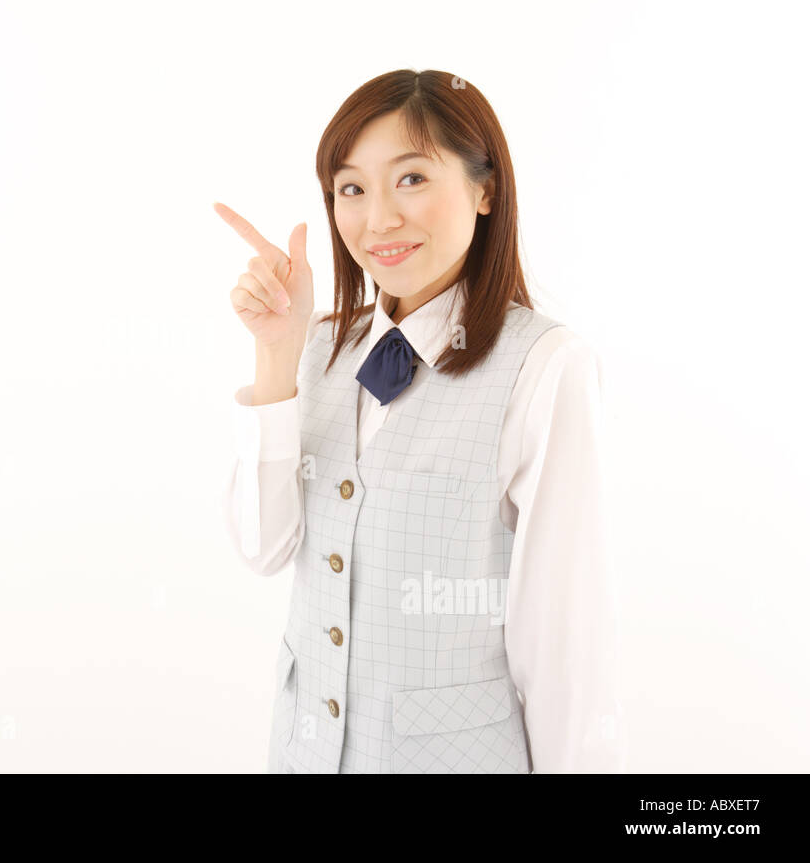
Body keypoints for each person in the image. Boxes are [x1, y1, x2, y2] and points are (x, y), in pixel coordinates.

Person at [215, 69, 626, 774]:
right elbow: (264, 549)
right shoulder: (318, 346)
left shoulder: (546, 368)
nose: (378, 220)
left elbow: (565, 649)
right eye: (352, 189)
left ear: (485, 189)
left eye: (411, 179)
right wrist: (277, 357)